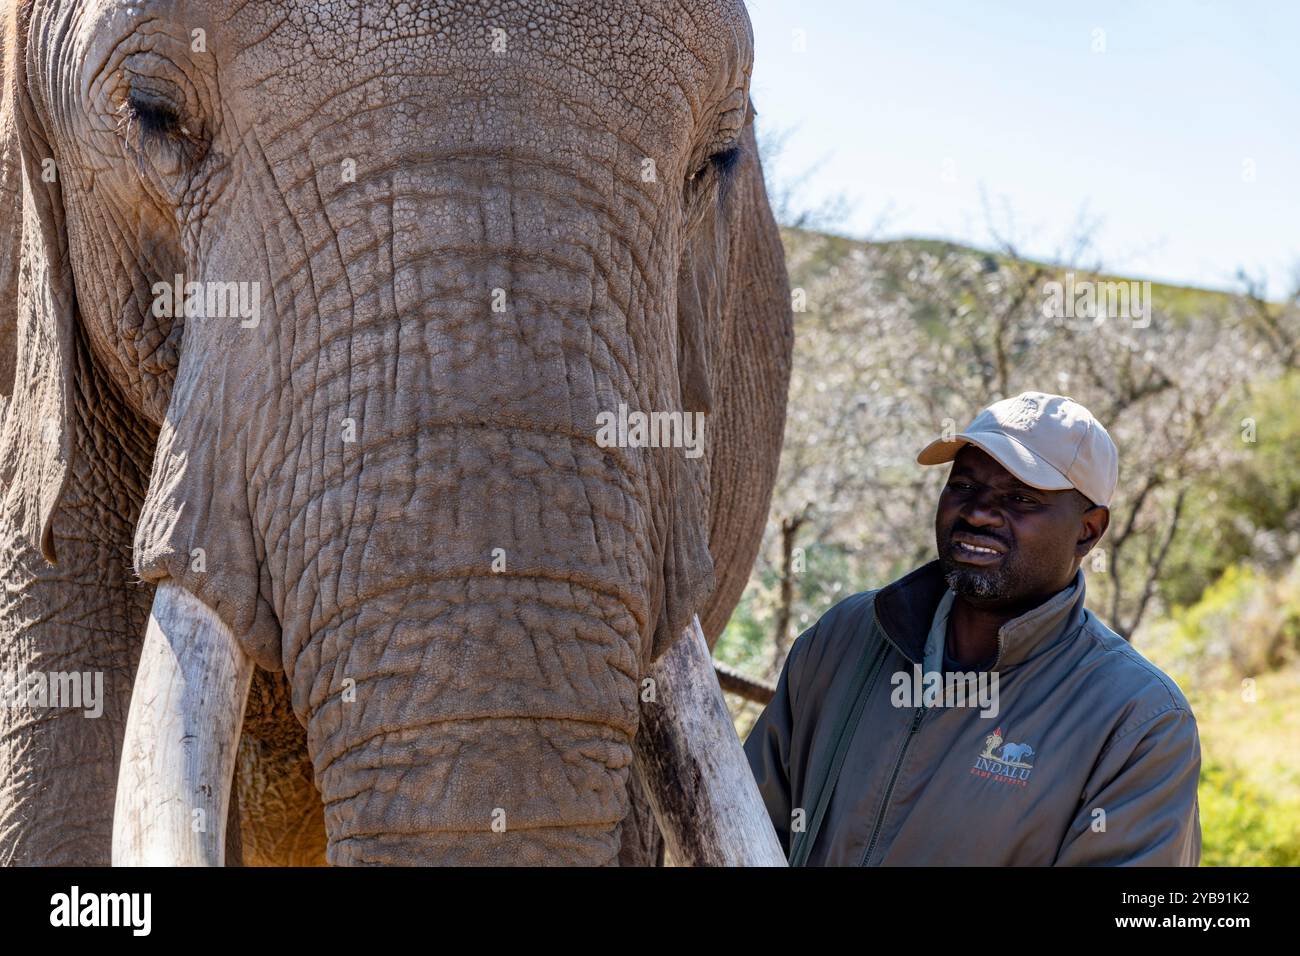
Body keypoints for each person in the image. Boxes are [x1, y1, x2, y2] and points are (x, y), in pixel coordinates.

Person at [744, 391, 1201, 865]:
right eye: (963, 486)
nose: (978, 512)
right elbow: (744, 828)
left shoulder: (1139, 720)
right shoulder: (844, 638)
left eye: (1021, 497)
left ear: (1088, 530)